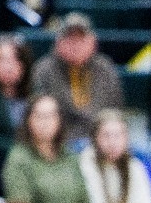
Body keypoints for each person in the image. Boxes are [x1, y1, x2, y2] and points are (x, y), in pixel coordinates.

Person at [27, 13, 122, 147]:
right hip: (59, 143)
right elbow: (39, 114)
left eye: (81, 39)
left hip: (100, 142)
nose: (75, 45)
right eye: (70, 39)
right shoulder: (44, 70)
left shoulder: (105, 68)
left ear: (93, 42)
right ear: (58, 43)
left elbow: (115, 110)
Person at [1, 95, 88, 203]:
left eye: (50, 116)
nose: (45, 122)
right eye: (39, 116)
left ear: (60, 120)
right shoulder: (19, 157)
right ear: (28, 120)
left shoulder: (71, 157)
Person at [82, 109, 151, 203]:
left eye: (118, 135)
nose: (112, 142)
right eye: (106, 136)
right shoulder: (85, 163)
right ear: (95, 138)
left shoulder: (134, 166)